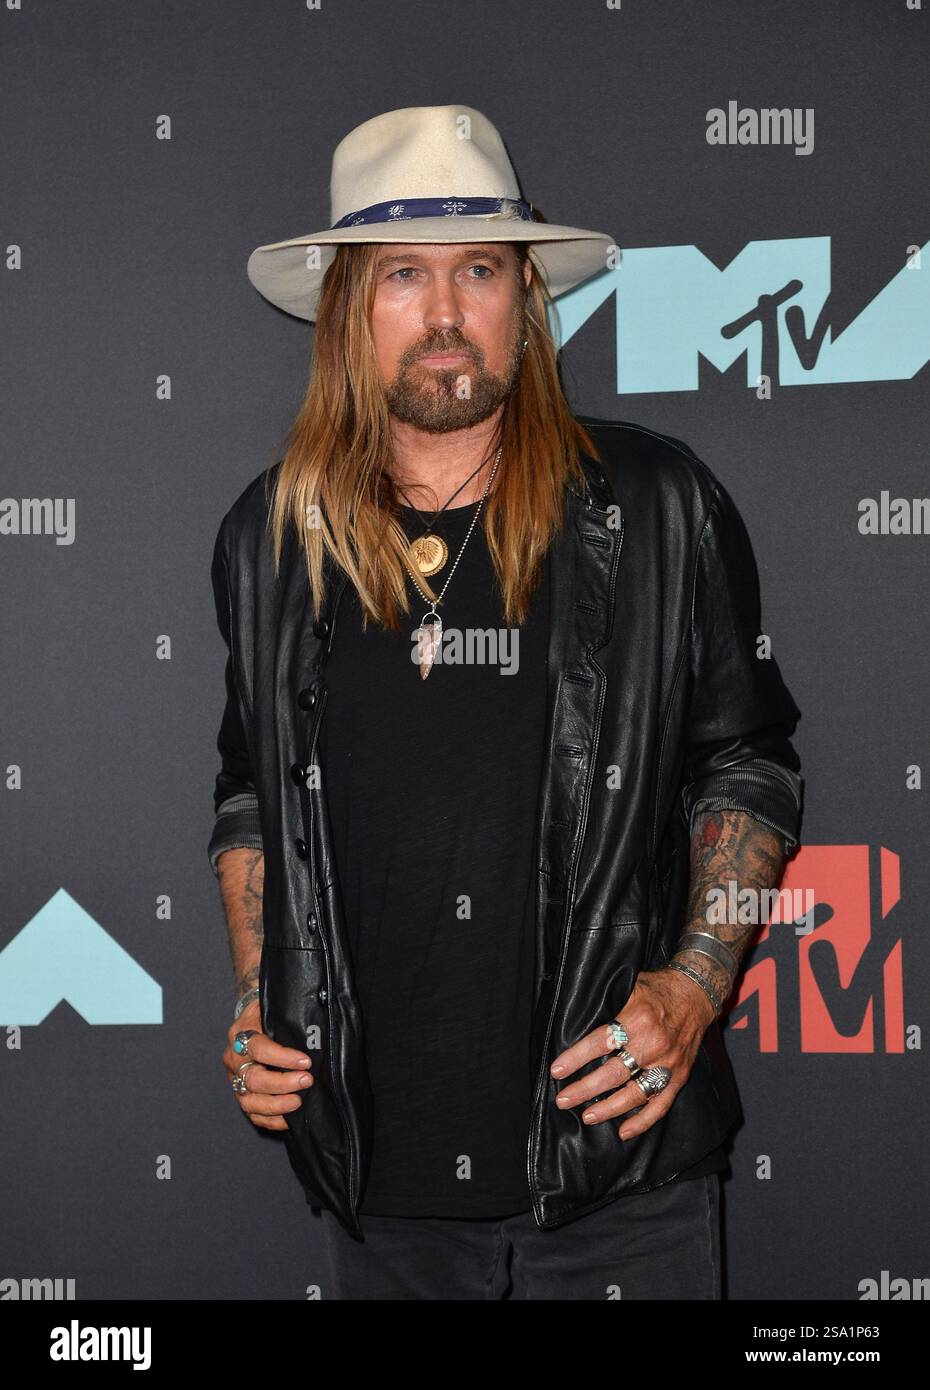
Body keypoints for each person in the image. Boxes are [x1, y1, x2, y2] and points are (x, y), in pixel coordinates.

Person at [208, 105, 803, 1300]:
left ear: (526, 302)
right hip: (377, 1185)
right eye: (402, 277)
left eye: (479, 269)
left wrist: (692, 985)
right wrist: (258, 995)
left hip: (616, 1174)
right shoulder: (274, 537)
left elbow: (749, 764)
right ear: (346, 313)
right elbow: (248, 793)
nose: (443, 314)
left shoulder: (652, 506)